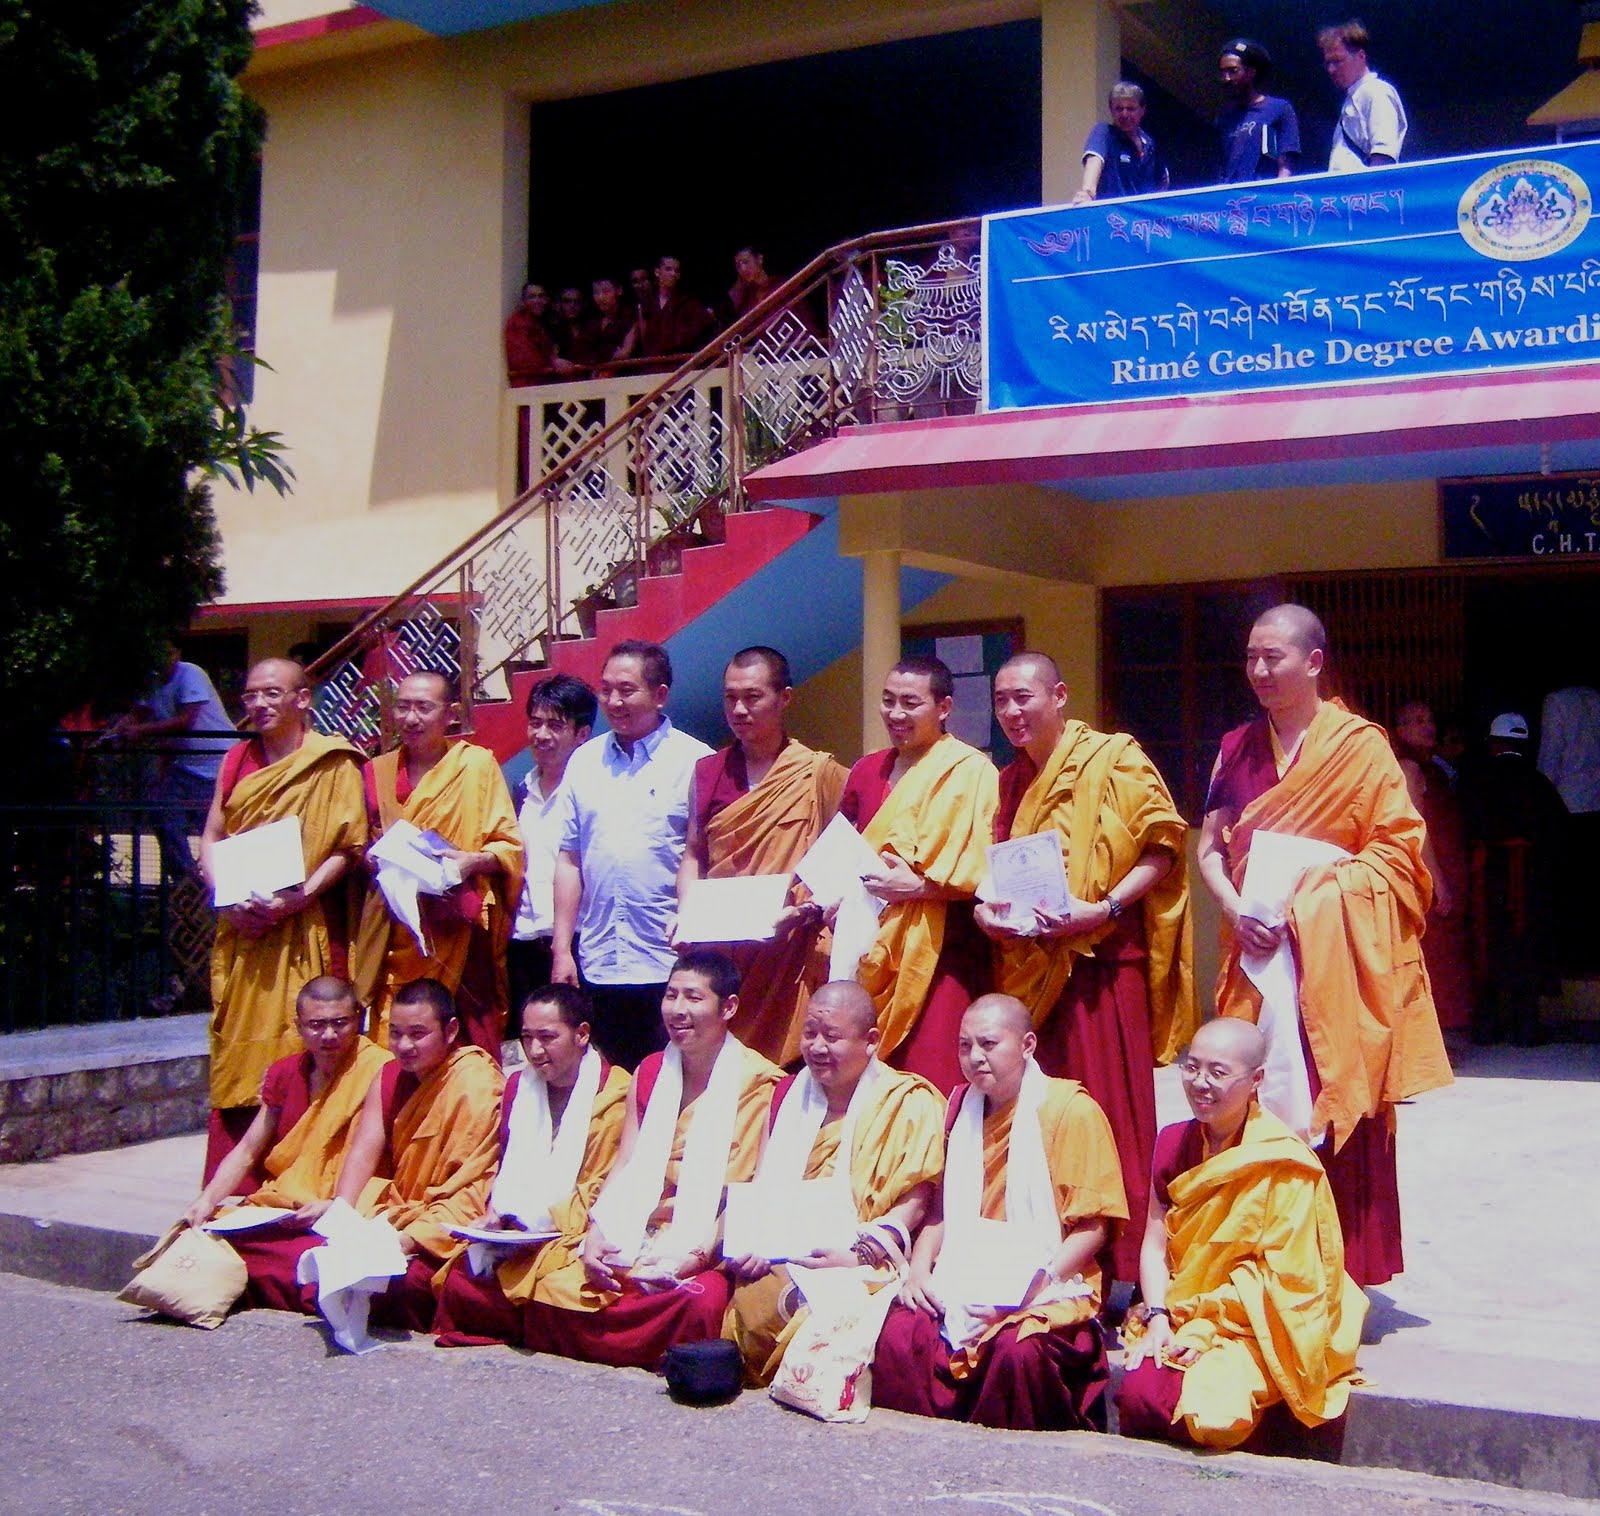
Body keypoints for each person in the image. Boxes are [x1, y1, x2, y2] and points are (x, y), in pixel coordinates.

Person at [1196, 604, 1452, 1287]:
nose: (1258, 671)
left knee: (1340, 1100)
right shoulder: (1235, 747)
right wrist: (1234, 904)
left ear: (1313, 663)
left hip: (1338, 965)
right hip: (1256, 957)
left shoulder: (1360, 747)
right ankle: (1266, 1261)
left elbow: (1399, 854)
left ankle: (1340, 1272)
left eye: (1272, 657)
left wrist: (1316, 897)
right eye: (1250, 657)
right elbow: (1210, 848)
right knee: (1254, 1105)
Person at [977, 652, 1193, 1282]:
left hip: (1100, 964)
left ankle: (1127, 1264)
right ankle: (1055, 1254)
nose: (1013, 712)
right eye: (1001, 702)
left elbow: (1162, 847)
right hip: (1034, 965)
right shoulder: (1009, 780)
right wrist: (990, 915)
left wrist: (1101, 908)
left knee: (1111, 1108)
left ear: (1060, 695)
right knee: (1046, 1115)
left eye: (1025, 698)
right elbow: (1000, 870)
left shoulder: (1114, 758)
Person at [871, 995, 1128, 1431]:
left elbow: (1094, 1225)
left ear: (1027, 1045)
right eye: (964, 1045)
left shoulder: (1069, 1109)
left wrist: (1033, 1288)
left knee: (1016, 1351)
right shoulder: (957, 1107)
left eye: (989, 1044)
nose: (975, 1057)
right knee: (899, 1334)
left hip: (1049, 1278)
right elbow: (941, 1211)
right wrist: (918, 1270)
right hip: (967, 1271)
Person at [521, 951, 782, 1368]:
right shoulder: (651, 1070)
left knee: (698, 1304)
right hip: (639, 1226)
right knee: (553, 1284)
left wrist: (694, 1256)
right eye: (671, 995)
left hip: (707, 1239)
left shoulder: (763, 1085)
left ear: (728, 1007)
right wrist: (597, 1230)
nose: (678, 1010)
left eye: (693, 998)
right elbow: (625, 1162)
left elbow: (752, 1192)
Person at [1117, 1019, 1365, 1453]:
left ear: (1256, 1081)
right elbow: (1155, 1244)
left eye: (1217, 1073)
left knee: (1214, 1414)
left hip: (1258, 1325)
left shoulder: (1282, 1162)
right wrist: (1158, 1316)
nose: (1200, 1084)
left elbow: (1290, 1282)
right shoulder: (1173, 1142)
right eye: (1191, 1068)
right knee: (1141, 1395)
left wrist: (1204, 1328)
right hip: (1180, 1311)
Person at [723, 980, 945, 1386]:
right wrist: (754, 1240)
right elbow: (764, 1183)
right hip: (785, 1247)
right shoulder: (788, 1095)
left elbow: (917, 1200)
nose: (817, 1047)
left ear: (871, 1041)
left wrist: (858, 1253)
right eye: (810, 1034)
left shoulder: (907, 1100)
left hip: (869, 1258)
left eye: (832, 1036)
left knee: (799, 1305)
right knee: (754, 1296)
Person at [199, 657, 366, 1178]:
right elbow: (211, 836)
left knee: (304, 1041)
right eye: (250, 695)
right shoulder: (235, 762)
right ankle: (233, 1180)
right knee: (238, 1050)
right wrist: (224, 897)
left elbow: (348, 846)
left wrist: (300, 898)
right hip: (245, 929)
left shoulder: (332, 763)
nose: (259, 705)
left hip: (302, 922)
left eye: (272, 694)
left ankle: (299, 1171)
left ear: (302, 699)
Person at [676, 646, 849, 1064]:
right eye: (730, 698)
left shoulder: (817, 773)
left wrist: (815, 906)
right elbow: (694, 852)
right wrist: (685, 913)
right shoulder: (708, 772)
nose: (739, 709)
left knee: (787, 1069)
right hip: (722, 950)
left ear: (784, 698)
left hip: (789, 950)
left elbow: (849, 855)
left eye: (752, 697)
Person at [432, 983, 630, 1347]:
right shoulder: (517, 1088)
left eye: (547, 1037)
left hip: (577, 1232)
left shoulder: (616, 1095)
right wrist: (494, 1216)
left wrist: (550, 1226)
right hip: (516, 1230)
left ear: (581, 1034)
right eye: (526, 1038)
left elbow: (606, 1186)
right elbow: (504, 1165)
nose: (535, 1051)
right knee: (462, 1279)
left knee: (557, 1288)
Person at [184, 977, 393, 1312]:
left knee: (314, 1251)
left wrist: (339, 1204)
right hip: (286, 1202)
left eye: (340, 1023)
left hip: (350, 1202)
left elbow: (369, 1152)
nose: (329, 1035)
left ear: (358, 1019)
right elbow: (249, 1148)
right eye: (316, 1025)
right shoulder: (286, 1072)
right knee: (208, 1231)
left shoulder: (380, 1069)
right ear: (298, 1026)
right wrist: (207, 1199)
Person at [551, 640, 713, 1069]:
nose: (613, 701)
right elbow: (569, 860)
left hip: (669, 961)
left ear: (660, 695)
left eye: (627, 690)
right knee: (608, 1087)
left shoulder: (696, 762)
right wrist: (563, 949)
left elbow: (701, 856)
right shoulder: (584, 762)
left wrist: (692, 924)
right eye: (605, 690)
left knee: (671, 1081)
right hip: (599, 961)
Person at [840, 655, 998, 1092]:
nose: (896, 714)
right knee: (871, 1078)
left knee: (935, 1073)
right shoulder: (867, 771)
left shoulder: (972, 773)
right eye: (888, 701)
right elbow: (843, 849)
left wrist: (920, 888)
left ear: (943, 708)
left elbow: (981, 873)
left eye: (910, 703)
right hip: (869, 945)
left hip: (942, 950)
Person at [351, 672, 523, 1056]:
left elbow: (508, 845)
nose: (411, 718)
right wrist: (375, 860)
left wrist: (471, 862)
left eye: (424, 707)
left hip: (459, 926)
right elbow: (360, 845)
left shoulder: (476, 766)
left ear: (451, 714)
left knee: (468, 1043)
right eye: (403, 706)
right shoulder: (376, 772)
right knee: (397, 1041)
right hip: (397, 930)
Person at [324, 977, 505, 1331]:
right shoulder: (390, 1075)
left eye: (417, 1034)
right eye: (394, 1033)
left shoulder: (477, 1083)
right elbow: (363, 1151)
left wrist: (401, 1241)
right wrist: (340, 1218)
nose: (403, 1045)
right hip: (397, 1211)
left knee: (401, 1288)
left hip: (443, 1223)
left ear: (451, 1030)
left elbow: (474, 1188)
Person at [1459, 714, 1568, 1045]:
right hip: (1528, 881)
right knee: (1527, 943)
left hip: (1484, 880)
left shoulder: (1474, 780)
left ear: (1493, 743)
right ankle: (1526, 1026)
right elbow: (1558, 834)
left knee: (1484, 944)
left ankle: (1486, 1025)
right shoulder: (1540, 784)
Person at [506, 674, 596, 1033]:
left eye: (555, 725)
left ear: (583, 734)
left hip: (577, 944)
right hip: (523, 943)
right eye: (535, 723)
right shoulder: (517, 794)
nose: (541, 735)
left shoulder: (593, 796)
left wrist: (566, 951)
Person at [108, 643, 235, 883]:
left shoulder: (191, 673)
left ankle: (219, 881)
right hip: (185, 765)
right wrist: (123, 726)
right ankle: (185, 878)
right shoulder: (153, 682)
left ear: (177, 653)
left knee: (212, 828)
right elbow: (141, 711)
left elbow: (186, 720)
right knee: (161, 809)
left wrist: (141, 731)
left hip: (216, 765)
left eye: (166, 653)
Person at [1392, 701, 1471, 1032]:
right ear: (1400, 730)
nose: (1429, 727)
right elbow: (1416, 827)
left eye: (1431, 719)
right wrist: (1437, 881)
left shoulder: (1433, 767)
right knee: (1431, 961)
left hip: (1447, 867)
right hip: (1426, 875)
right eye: (1418, 721)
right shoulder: (1407, 768)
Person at [1538, 682, 1600, 973]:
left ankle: (1571, 958)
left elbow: (1551, 754)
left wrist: (1539, 795)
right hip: (1596, 799)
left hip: (1567, 803)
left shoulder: (1556, 701)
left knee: (1569, 885)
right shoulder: (1596, 699)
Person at [1319, 19, 1407, 171]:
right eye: (1328, 63)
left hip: (1365, 192)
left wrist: (1371, 190)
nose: (1331, 70)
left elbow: (1384, 157)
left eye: (1338, 61)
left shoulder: (1376, 91)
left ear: (1360, 56)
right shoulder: (1355, 97)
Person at [1216, 38, 1300, 183]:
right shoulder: (1224, 118)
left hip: (1263, 198)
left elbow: (1286, 166)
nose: (1227, 78)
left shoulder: (1279, 109)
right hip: (1229, 199)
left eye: (1233, 71)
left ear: (1250, 72)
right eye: (1223, 73)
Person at [1071, 82, 1170, 206]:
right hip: (1113, 218)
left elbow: (1163, 179)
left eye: (1130, 108)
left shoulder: (1149, 143)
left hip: (1141, 220)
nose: (1124, 114)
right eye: (1119, 109)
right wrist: (1088, 193)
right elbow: (1094, 160)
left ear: (1142, 110)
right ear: (1111, 110)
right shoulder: (1104, 132)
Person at [637, 255, 716, 361]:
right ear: (657, 272)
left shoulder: (689, 304)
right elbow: (645, 340)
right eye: (668, 269)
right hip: (651, 364)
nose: (673, 274)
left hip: (678, 363)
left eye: (677, 271)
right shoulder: (647, 304)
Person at [504, 283, 575, 383]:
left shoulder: (541, 323)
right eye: (532, 297)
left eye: (541, 296)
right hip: (528, 387)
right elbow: (525, 361)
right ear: (523, 301)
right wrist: (553, 362)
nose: (537, 301)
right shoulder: (518, 323)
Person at [570, 276, 638, 368]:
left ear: (619, 291)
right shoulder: (592, 322)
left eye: (606, 291)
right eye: (596, 292)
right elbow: (579, 352)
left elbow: (624, 354)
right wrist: (610, 352)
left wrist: (599, 353)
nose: (601, 298)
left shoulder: (631, 316)